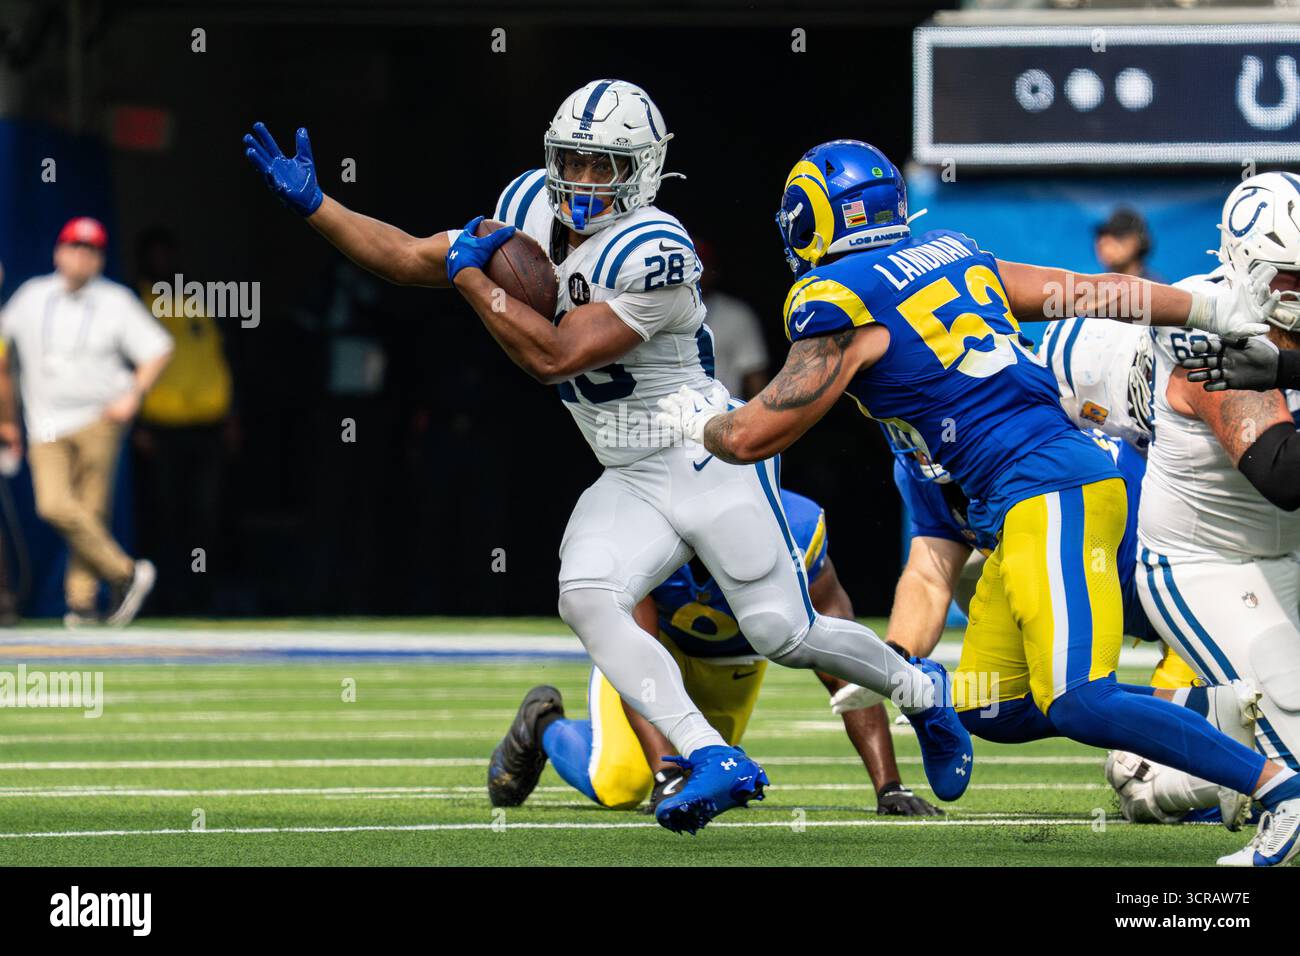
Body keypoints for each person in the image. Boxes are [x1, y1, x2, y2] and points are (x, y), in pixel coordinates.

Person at [243, 82, 972, 836]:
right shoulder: (527, 209)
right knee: (586, 594)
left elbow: (555, 356)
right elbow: (402, 256)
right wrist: (316, 205)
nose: (584, 183)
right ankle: (707, 756)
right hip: (628, 467)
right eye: (574, 163)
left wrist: (471, 277)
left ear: (646, 169)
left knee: (781, 632)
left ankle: (921, 690)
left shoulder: (659, 250)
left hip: (702, 449)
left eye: (605, 167)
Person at [654, 139, 1300, 866]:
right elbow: (1083, 290)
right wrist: (1209, 305)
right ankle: (1204, 714)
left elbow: (750, 437)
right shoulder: (954, 257)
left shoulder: (839, 300)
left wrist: (680, 415)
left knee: (1080, 701)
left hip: (1054, 488)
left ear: (812, 223)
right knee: (987, 704)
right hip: (1021, 503)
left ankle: (1280, 791)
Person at [487, 489, 940, 817]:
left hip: (733, 670)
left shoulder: (797, 530)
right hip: (654, 659)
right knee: (622, 784)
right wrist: (665, 777)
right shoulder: (650, 527)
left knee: (717, 785)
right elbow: (634, 657)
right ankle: (543, 723)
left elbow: (848, 670)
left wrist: (889, 786)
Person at [1133, 173, 1300, 860]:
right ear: (1251, 268)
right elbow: (1284, 473)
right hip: (1206, 564)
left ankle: (1160, 774)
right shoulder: (1206, 326)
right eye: (1293, 277)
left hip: (1284, 558)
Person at [0, 217, 170, 627]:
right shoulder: (32, 296)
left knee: (91, 511)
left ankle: (81, 604)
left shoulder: (115, 300)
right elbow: (3, 352)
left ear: (100, 259)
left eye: (91, 250)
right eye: (75, 247)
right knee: (54, 505)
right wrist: (7, 419)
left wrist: (134, 394)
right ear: (59, 251)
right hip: (45, 422)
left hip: (99, 418)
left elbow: (158, 347)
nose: (81, 256)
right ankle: (127, 573)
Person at [132, 228, 235, 615]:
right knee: (165, 517)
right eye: (156, 256)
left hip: (207, 427)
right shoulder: (134, 301)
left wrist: (231, 415)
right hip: (161, 429)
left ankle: (200, 598)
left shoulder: (197, 299)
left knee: (204, 518)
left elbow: (220, 359)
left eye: (168, 255)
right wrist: (138, 424)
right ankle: (165, 599)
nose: (164, 264)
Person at [694, 239, 769, 399]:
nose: (694, 274)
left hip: (721, 416)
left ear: (712, 270)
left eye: (700, 267)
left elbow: (754, 377)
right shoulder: (653, 312)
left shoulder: (736, 315)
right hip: (664, 417)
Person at [1095, 206, 1159, 281]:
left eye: (1118, 235)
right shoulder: (1093, 287)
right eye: (1103, 235)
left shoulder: (1155, 288)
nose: (1106, 242)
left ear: (1138, 241)